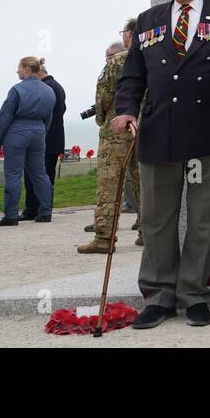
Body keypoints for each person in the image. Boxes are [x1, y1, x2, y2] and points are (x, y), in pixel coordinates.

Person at [112, 0, 210, 329]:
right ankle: (158, 297)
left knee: (203, 220)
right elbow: (132, 77)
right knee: (157, 220)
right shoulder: (149, 20)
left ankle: (193, 295)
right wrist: (124, 110)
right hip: (159, 133)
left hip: (209, 133)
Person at [78, 20, 143, 253]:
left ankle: (104, 237)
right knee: (143, 181)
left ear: (131, 34)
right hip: (146, 128)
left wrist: (102, 120)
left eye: (124, 32)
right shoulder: (154, 58)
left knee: (109, 182)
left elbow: (103, 96)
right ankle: (146, 232)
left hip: (116, 130)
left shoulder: (117, 62)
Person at [0, 56, 56, 226]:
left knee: (13, 174)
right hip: (39, 132)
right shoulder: (49, 90)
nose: (17, 71)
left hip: (17, 131)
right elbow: (49, 116)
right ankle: (45, 211)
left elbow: (6, 116)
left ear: (27, 69)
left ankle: (11, 215)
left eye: (19, 68)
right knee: (40, 173)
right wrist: (43, 132)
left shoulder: (17, 90)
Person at [22, 59, 66, 221]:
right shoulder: (56, 86)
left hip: (44, 138)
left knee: (34, 175)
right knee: (47, 175)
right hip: (55, 137)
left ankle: (34, 209)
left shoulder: (46, 87)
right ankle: (43, 208)